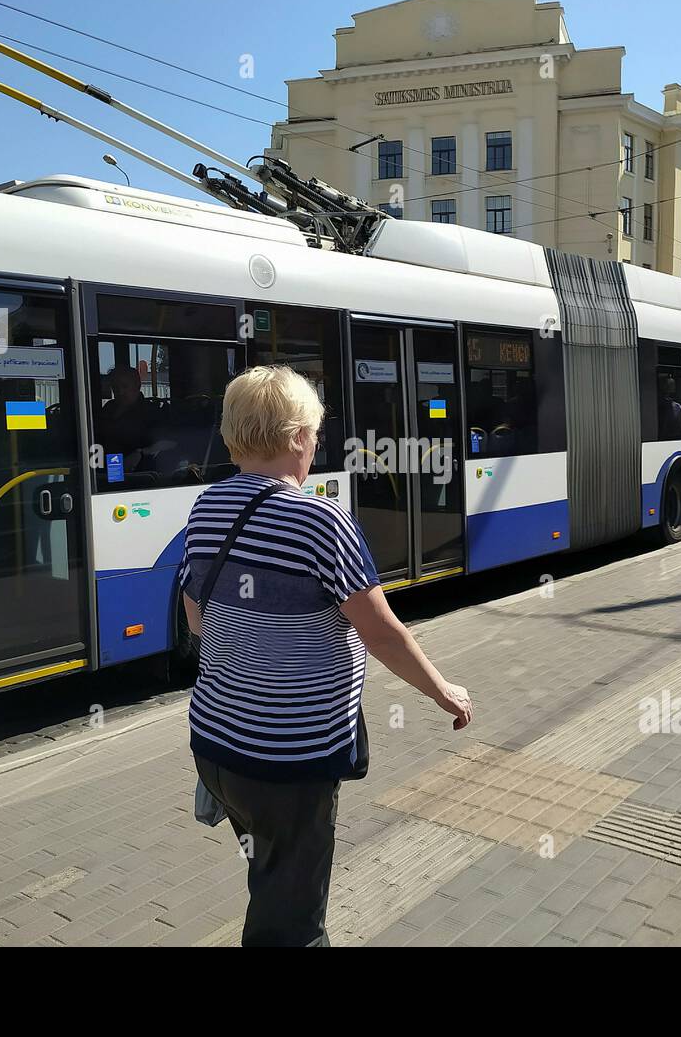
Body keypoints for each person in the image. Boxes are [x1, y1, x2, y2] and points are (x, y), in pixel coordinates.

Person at [181, 366, 472, 947]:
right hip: (285, 759)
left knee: (272, 879)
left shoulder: (207, 506)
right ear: (294, 437)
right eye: (314, 433)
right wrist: (444, 691)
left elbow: (196, 614)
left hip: (217, 748)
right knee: (289, 923)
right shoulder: (321, 520)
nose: (317, 444)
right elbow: (381, 633)